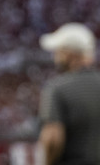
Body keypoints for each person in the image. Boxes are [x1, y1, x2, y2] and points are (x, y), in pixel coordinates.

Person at [38, 23, 100, 165]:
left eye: (58, 51)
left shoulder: (57, 88)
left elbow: (53, 138)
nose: (55, 56)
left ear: (69, 53)